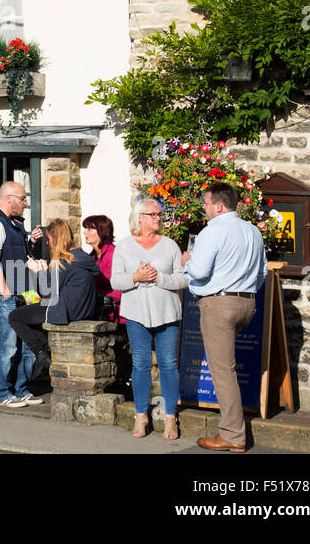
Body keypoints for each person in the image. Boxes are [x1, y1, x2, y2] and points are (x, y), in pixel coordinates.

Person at [182, 182, 267, 452]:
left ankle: (232, 434)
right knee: (227, 367)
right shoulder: (252, 230)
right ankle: (234, 429)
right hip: (248, 303)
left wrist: (187, 261)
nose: (204, 208)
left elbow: (198, 270)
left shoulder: (212, 230)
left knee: (222, 371)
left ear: (219, 206)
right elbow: (262, 272)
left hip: (220, 304)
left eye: (206, 203)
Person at [112, 198, 187, 440]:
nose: (158, 218)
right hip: (136, 314)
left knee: (168, 364)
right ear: (139, 218)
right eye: (153, 214)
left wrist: (158, 279)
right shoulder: (124, 246)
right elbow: (115, 282)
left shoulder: (170, 246)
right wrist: (135, 276)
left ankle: (170, 417)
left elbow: (183, 279)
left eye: (159, 215)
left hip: (167, 312)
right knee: (141, 365)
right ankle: (141, 415)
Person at [8, 218, 101, 384]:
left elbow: (48, 292)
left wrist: (39, 271)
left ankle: (42, 353)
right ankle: (44, 349)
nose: (48, 244)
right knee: (30, 309)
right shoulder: (80, 256)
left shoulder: (65, 261)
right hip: (80, 309)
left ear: (56, 239)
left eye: (49, 240)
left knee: (15, 317)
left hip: (64, 310)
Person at [0, 180, 41, 408]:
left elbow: (17, 257)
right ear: (8, 199)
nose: (25, 203)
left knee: (27, 341)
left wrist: (30, 246)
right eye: (22, 198)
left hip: (25, 291)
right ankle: (1, 393)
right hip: (4, 293)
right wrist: (4, 293)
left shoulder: (14, 224)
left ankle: (21, 389)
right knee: (7, 343)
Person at [83, 214, 122, 323]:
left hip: (115, 317)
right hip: (98, 312)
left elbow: (121, 289)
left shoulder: (113, 254)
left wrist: (97, 296)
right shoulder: (90, 257)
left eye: (90, 229)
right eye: (85, 228)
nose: (85, 232)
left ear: (102, 231)